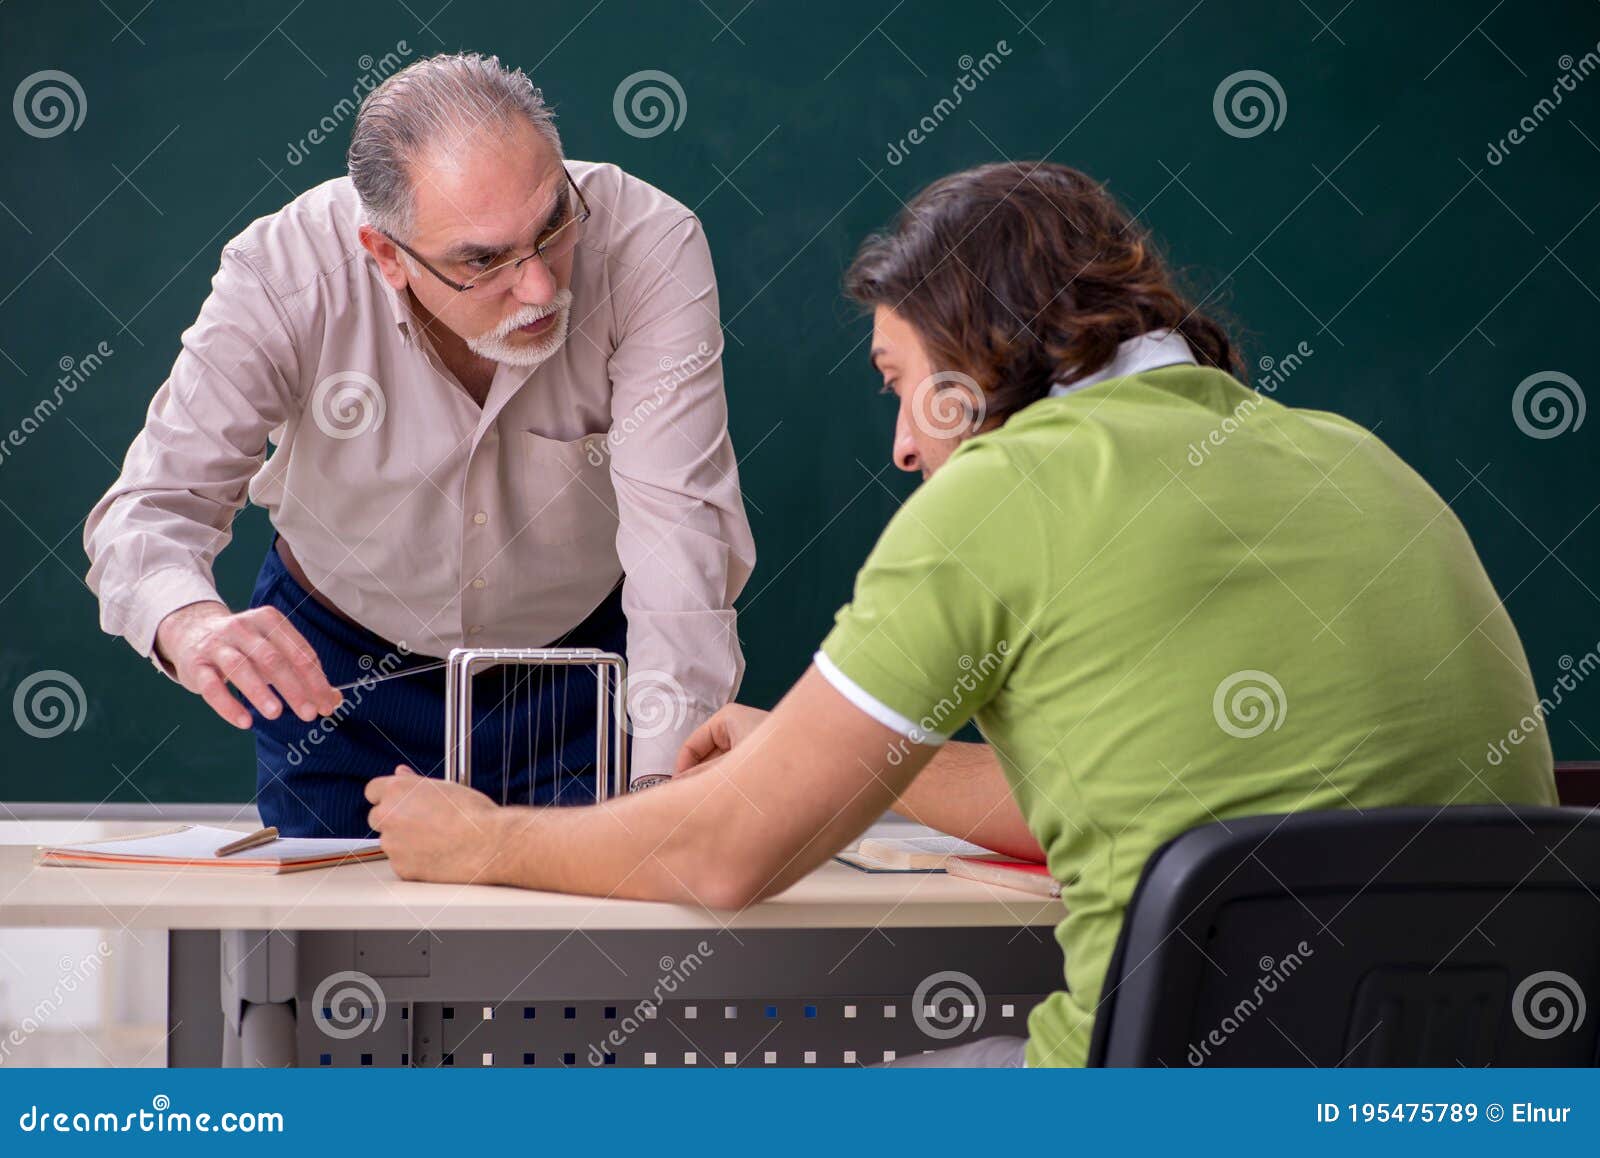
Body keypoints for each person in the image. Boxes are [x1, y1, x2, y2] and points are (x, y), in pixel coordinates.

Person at [363, 160, 1558, 1067]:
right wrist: (800, 751)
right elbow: (1116, 794)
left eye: (900, 384)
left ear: (978, 353)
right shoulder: (1353, 457)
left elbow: (724, 856)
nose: (899, 446)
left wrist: (486, 843)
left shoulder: (1006, 489)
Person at [84, 53, 754, 835]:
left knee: (597, 906)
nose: (541, 288)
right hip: (337, 679)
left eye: (552, 226)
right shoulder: (283, 275)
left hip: (578, 676)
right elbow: (153, 508)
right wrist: (190, 621)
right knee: (335, 912)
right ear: (387, 256)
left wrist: (667, 794)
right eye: (483, 260)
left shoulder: (650, 244)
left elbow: (680, 537)